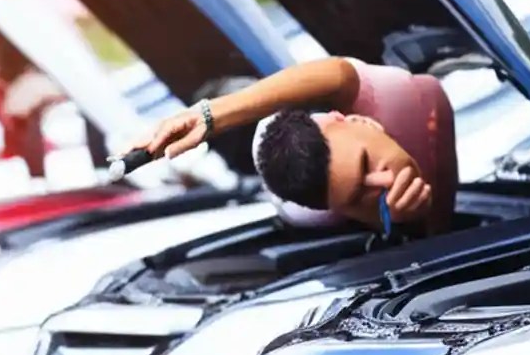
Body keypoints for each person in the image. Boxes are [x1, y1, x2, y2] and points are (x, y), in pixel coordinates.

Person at [133, 57, 456, 236]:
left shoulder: (394, 95)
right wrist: (402, 223)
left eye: (367, 163)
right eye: (358, 196)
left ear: (363, 122)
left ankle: (224, 91)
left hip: (256, 115)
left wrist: (209, 115)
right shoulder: (309, 215)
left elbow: (337, 74)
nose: (385, 182)